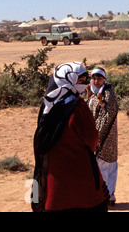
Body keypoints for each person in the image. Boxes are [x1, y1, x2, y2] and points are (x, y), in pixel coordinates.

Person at [32, 62, 109, 212]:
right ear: (67, 81)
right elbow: (92, 139)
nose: (84, 84)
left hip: (54, 185)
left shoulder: (48, 105)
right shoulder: (78, 107)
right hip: (82, 182)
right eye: (80, 80)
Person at [87, 67, 119, 206]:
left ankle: (109, 195)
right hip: (96, 135)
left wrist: (101, 102)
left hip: (107, 136)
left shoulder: (108, 92)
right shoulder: (94, 93)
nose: (96, 81)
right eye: (94, 78)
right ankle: (107, 195)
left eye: (99, 78)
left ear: (104, 79)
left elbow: (110, 112)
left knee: (106, 165)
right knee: (100, 166)